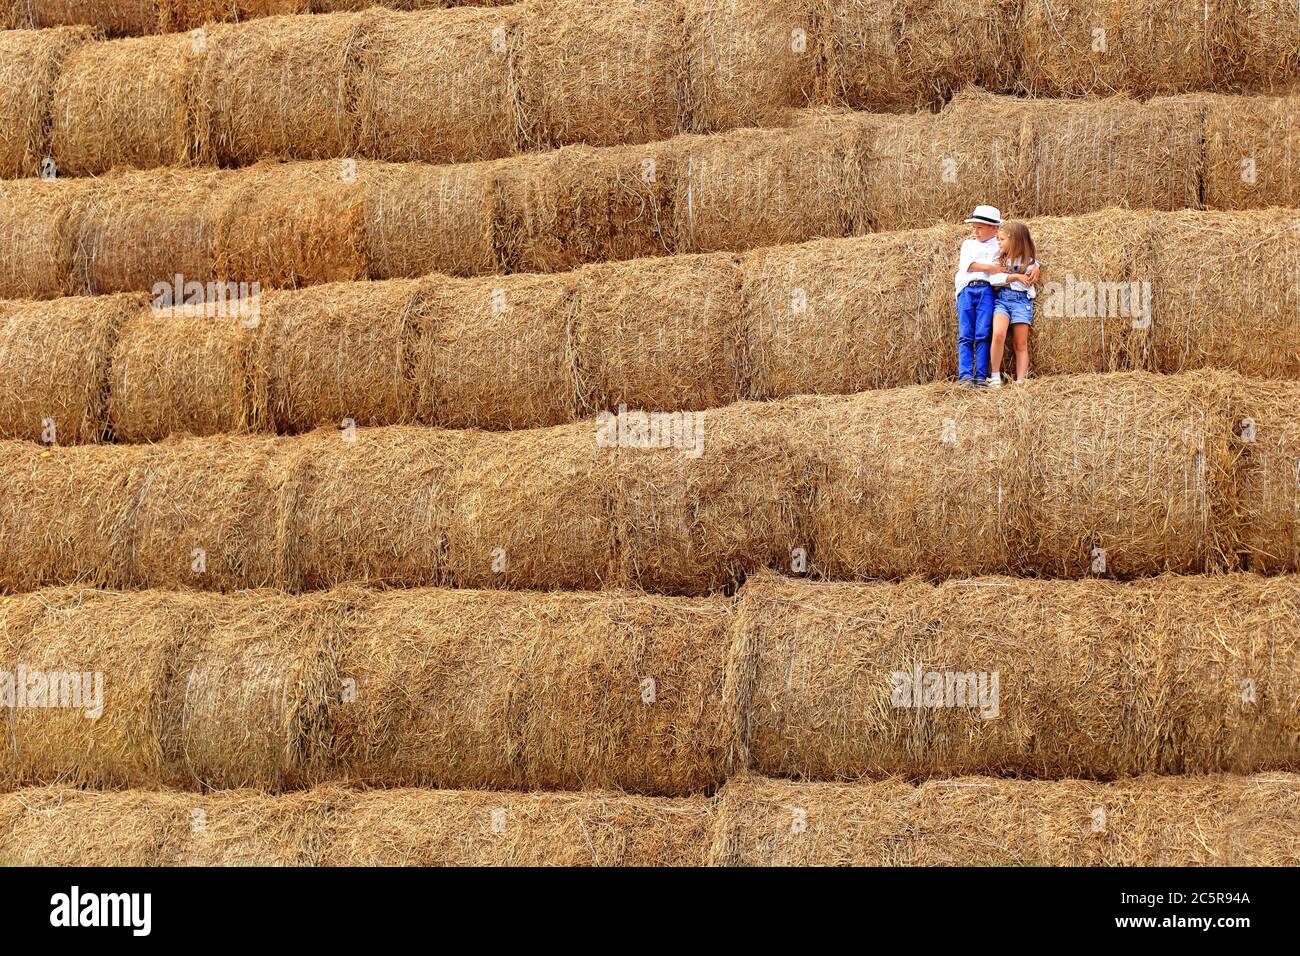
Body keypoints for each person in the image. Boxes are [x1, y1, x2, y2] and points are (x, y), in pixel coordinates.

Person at [953, 205, 1003, 388]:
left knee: (983, 333)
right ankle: (965, 376)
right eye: (973, 227)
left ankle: (981, 376)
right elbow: (968, 265)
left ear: (994, 228)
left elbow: (1020, 252)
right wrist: (990, 267)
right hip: (967, 289)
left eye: (980, 227)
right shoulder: (968, 244)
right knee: (966, 334)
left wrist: (1035, 266)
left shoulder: (1000, 245)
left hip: (987, 291)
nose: (975, 231)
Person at [986, 221, 1039, 387]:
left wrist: (1036, 268)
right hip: (1002, 300)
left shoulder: (1030, 263)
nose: (999, 243)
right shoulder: (999, 259)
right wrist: (1015, 277)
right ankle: (995, 377)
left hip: (1022, 302)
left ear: (1014, 240)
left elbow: (1032, 273)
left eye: (1002, 239)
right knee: (998, 334)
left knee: (1020, 343)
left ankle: (1021, 381)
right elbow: (993, 280)